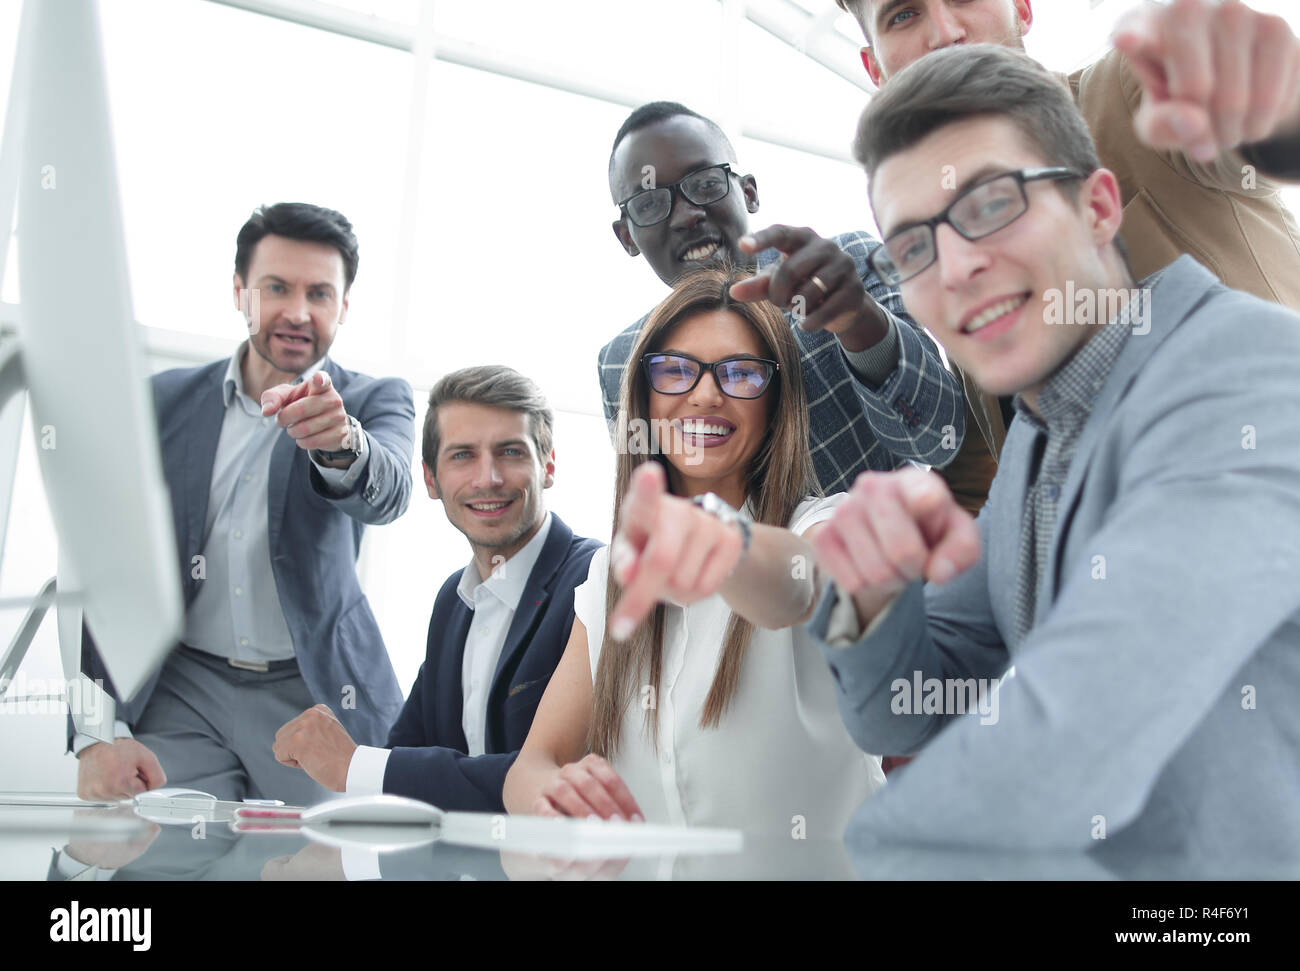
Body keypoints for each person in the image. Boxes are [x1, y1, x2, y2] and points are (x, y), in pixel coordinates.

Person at [806, 44, 1300, 855]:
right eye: (914, 248)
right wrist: (872, 588)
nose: (957, 267)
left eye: (992, 203)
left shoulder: (1241, 373)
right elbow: (902, 706)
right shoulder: (1041, 428)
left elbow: (1072, 740)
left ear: (1100, 206)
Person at [507, 268, 885, 838]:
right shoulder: (608, 574)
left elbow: (806, 581)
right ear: (644, 395)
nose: (705, 394)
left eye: (740, 374)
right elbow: (532, 765)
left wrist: (728, 545)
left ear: (776, 403)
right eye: (677, 371)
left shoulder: (823, 524)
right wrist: (553, 795)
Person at [835, 0, 1300, 458]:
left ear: (1022, 7)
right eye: (903, 15)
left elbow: (1258, 129)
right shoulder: (954, 266)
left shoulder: (1126, 92)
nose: (944, 32)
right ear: (874, 67)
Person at [74, 203, 415, 805]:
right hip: (181, 687)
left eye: (320, 293)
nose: (298, 311)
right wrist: (90, 733)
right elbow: (98, 568)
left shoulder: (373, 398)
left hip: (312, 689)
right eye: (276, 288)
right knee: (153, 856)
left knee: (322, 867)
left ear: (343, 306)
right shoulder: (159, 402)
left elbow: (387, 493)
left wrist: (341, 443)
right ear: (239, 292)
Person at [599, 102, 998, 514]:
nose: (686, 215)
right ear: (627, 236)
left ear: (748, 193)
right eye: (648, 204)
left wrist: (861, 323)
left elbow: (939, 436)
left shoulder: (849, 268)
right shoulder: (621, 363)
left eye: (704, 184)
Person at [273, 366, 601, 812]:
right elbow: (408, 750)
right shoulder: (454, 600)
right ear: (430, 478)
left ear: (548, 465)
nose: (488, 478)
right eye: (462, 455)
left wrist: (353, 765)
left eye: (509, 451)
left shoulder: (595, 581)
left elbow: (550, 777)